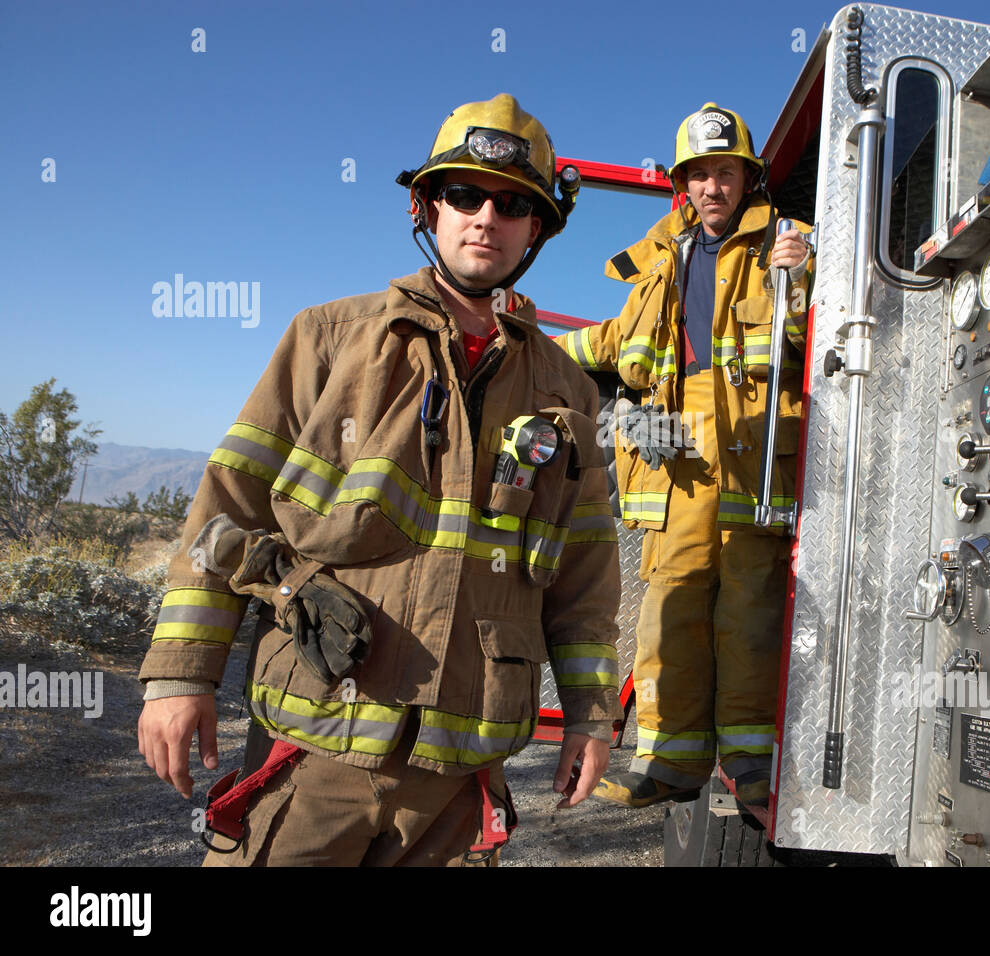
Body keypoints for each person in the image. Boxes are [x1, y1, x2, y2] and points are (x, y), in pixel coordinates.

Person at [136, 93, 622, 866]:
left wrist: (594, 720)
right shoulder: (328, 341)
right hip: (315, 746)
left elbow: (586, 576)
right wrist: (179, 674)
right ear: (426, 208)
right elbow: (226, 509)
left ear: (537, 227)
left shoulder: (569, 392)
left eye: (511, 203)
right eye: (464, 195)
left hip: (457, 780)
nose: (485, 217)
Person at [555, 103, 812, 808]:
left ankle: (752, 765)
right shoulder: (660, 259)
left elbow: (837, 333)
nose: (712, 188)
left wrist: (811, 275)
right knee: (671, 608)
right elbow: (613, 344)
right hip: (679, 455)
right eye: (699, 175)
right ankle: (669, 762)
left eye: (724, 173)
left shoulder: (791, 245)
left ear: (746, 178)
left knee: (750, 612)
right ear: (683, 184)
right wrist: (531, 342)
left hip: (753, 445)